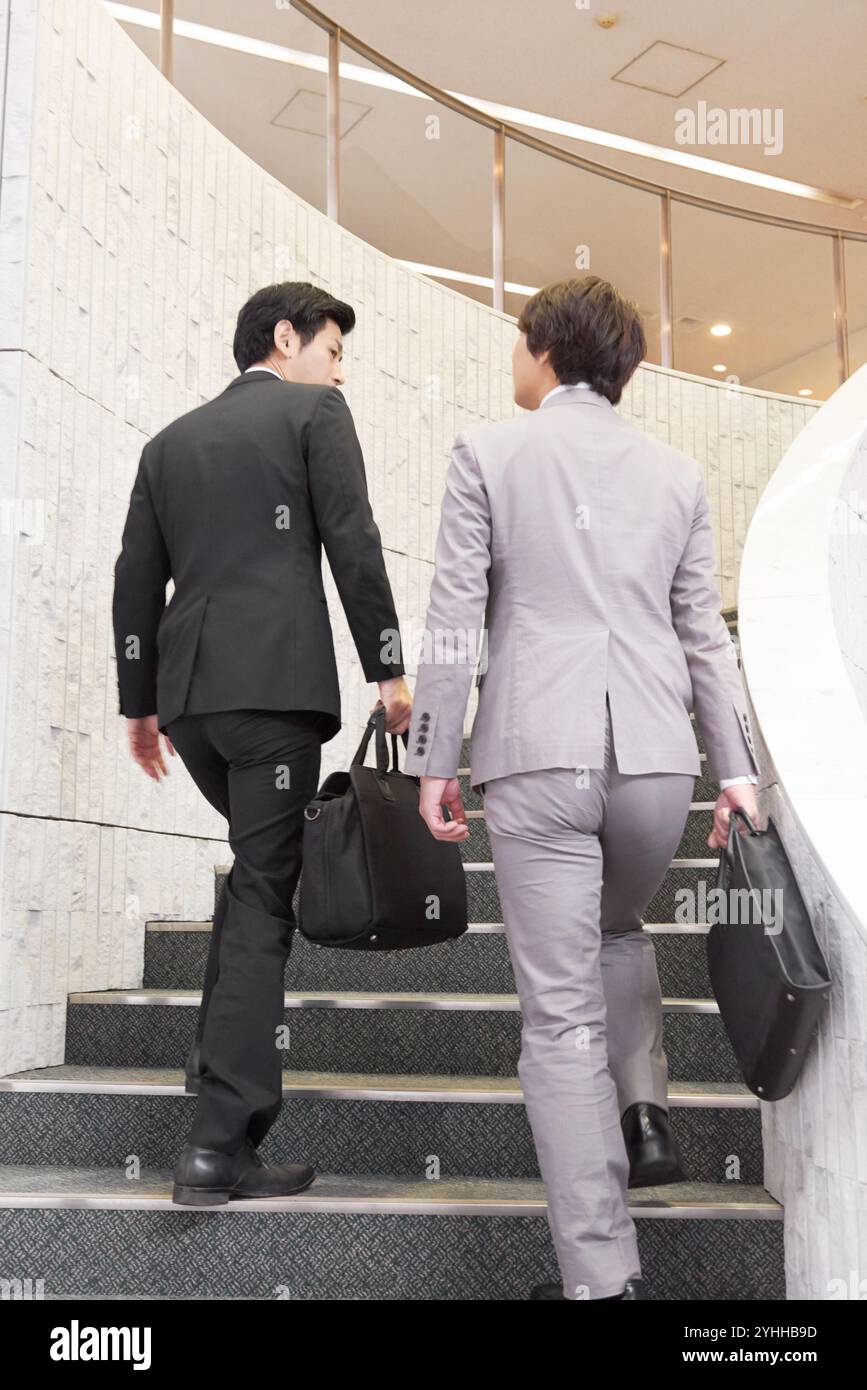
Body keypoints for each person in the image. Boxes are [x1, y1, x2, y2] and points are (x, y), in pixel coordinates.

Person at [403, 275, 760, 1301]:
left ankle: (603, 1282)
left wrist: (436, 758)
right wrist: (734, 771)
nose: (513, 359)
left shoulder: (487, 453)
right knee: (616, 928)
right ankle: (644, 1114)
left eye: (519, 341)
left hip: (539, 751)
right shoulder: (678, 474)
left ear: (547, 348)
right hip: (656, 764)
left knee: (558, 1024)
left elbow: (453, 618)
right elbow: (706, 636)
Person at [112, 282, 411, 1206]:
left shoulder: (169, 444)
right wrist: (389, 668)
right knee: (261, 901)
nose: (338, 365)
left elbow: (136, 582)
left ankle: (214, 1089)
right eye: (332, 346)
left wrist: (140, 705)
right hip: (273, 696)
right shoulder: (315, 411)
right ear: (286, 338)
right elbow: (351, 540)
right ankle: (215, 1144)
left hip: (193, 701)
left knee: (253, 879)